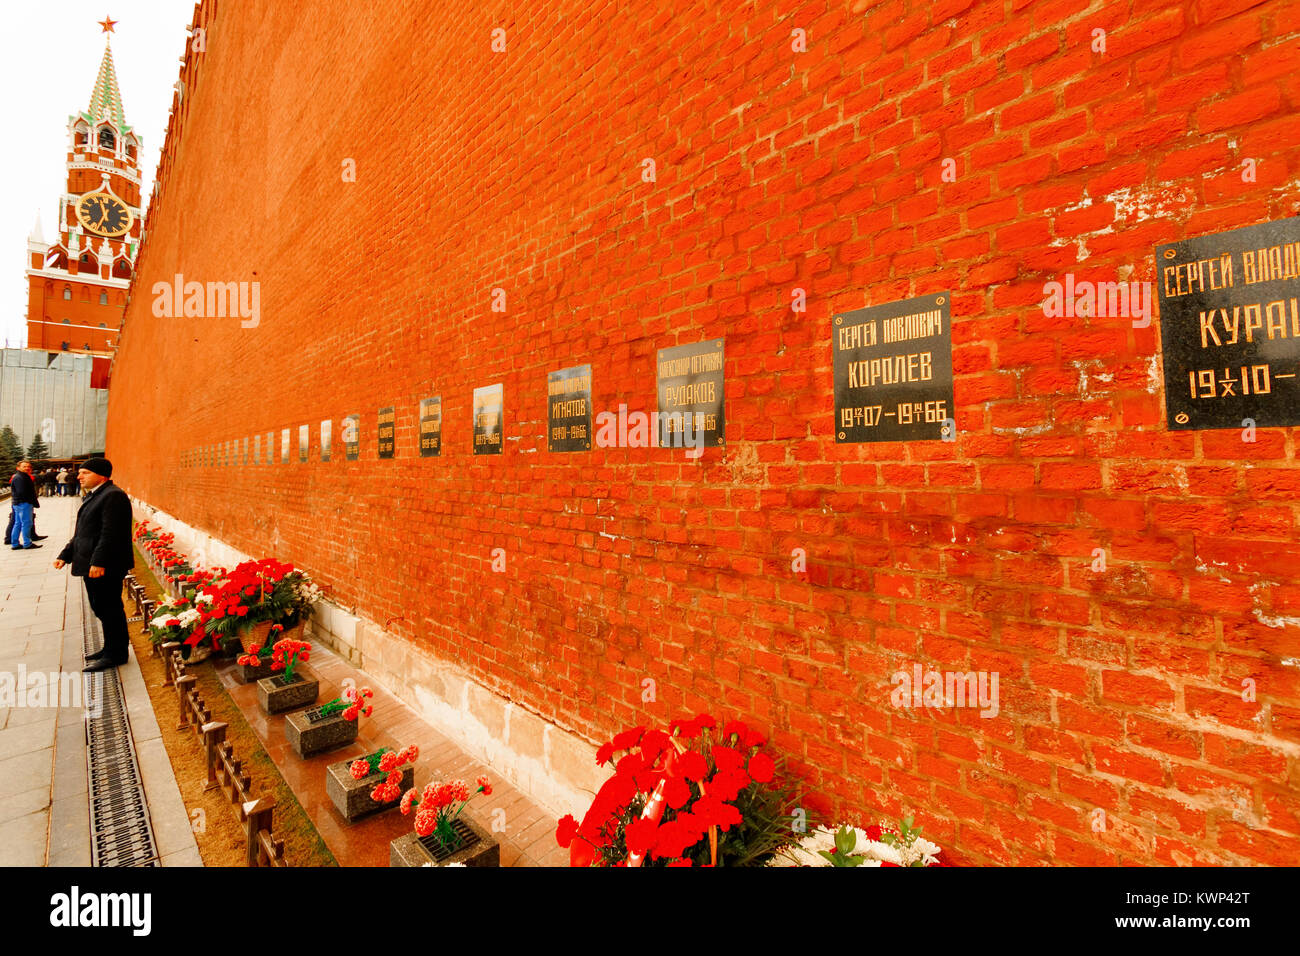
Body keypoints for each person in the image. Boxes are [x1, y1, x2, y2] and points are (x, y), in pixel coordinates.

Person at [54, 458, 134, 671]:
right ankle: (110, 648)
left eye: (85, 473)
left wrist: (99, 561)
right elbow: (83, 532)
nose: (79, 476)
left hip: (105, 566)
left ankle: (116, 653)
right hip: (92, 564)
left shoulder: (113, 496)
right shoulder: (96, 496)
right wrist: (65, 554)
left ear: (102, 475)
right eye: (80, 473)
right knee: (100, 607)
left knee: (110, 608)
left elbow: (111, 534)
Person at [8, 461, 40, 549]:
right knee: (27, 523)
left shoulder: (22, 476)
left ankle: (15, 544)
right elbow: (22, 492)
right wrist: (30, 501)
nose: (27, 468)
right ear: (18, 468)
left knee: (18, 523)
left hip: (18, 503)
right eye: (24, 466)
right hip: (23, 503)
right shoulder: (20, 477)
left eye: (28, 466)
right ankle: (27, 543)